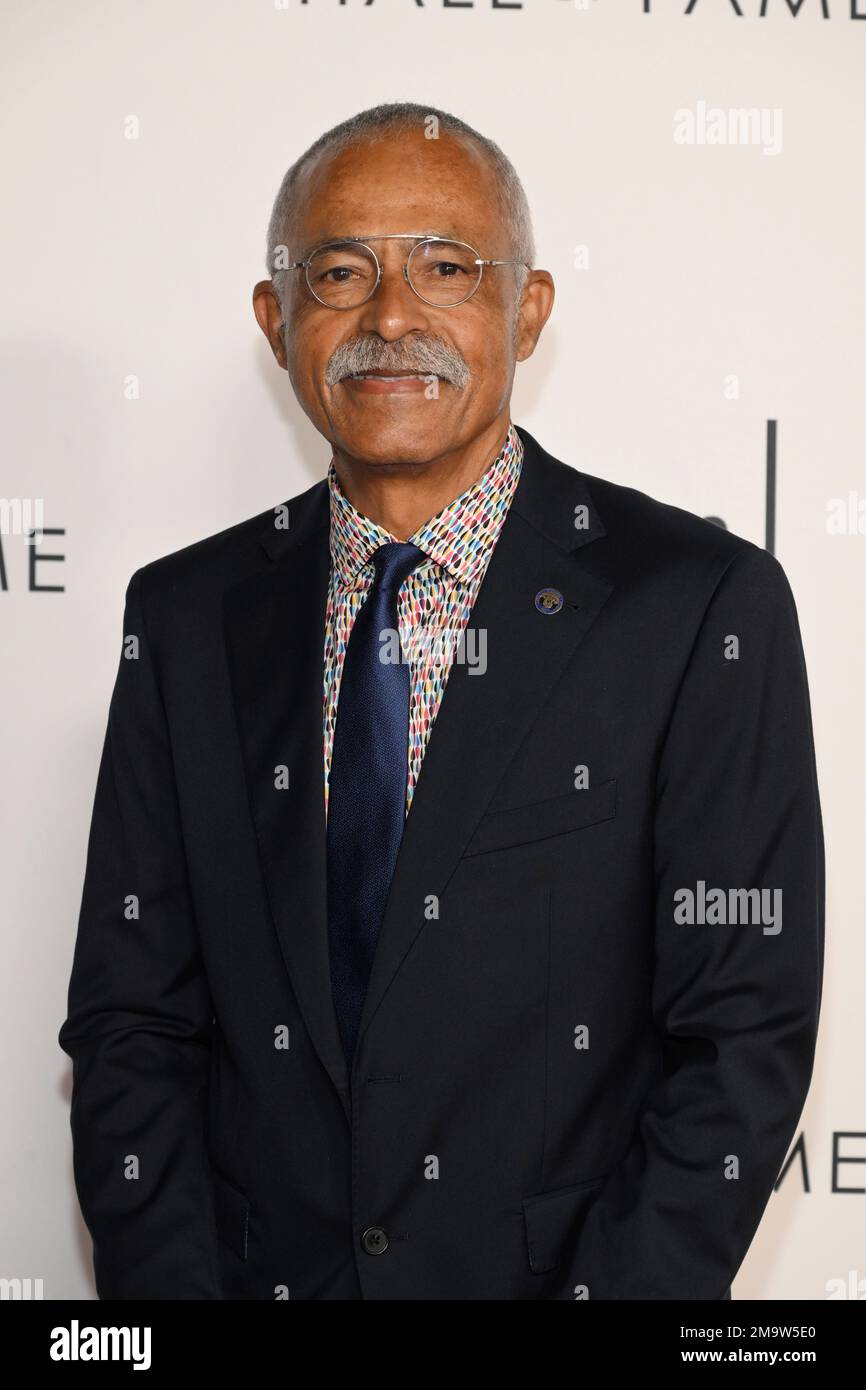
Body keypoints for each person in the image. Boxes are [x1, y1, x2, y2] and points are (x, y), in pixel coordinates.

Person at [58, 102, 824, 1300]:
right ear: (277, 320)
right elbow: (130, 1023)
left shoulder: (693, 606)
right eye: (341, 271)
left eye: (445, 267)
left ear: (526, 309)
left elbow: (737, 1038)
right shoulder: (187, 614)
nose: (392, 317)